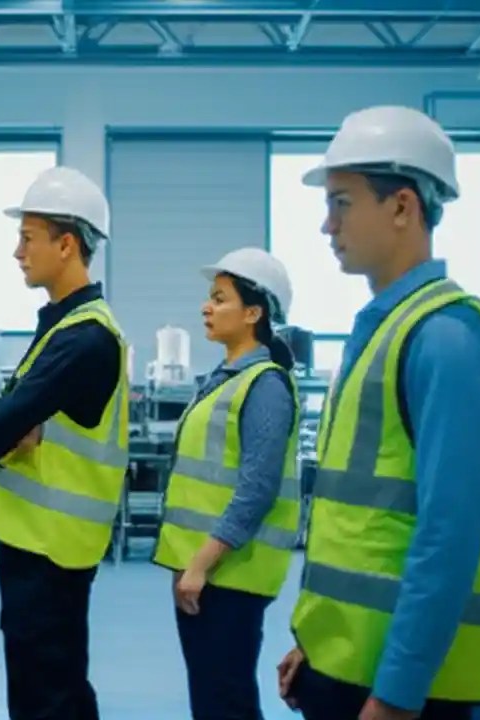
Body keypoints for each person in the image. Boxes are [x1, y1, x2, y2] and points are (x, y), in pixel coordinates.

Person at [276, 105, 480, 720]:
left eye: (342, 204)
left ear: (403, 207)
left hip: (401, 692)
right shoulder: (384, 332)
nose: (327, 226)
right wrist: (317, 645)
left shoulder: (446, 340)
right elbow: (364, 529)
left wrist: (398, 694)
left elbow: (449, 537)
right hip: (349, 670)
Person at [0, 166, 129, 720]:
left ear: (66, 244)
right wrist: (16, 423)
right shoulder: (63, 327)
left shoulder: (87, 338)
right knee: (54, 688)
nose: (17, 252)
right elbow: (11, 420)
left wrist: (13, 426)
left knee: (48, 698)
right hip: (39, 544)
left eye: (27, 238)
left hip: (51, 548)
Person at [152, 247, 301, 719]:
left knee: (225, 702)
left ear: (254, 312)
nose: (206, 306)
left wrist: (200, 564)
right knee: (213, 698)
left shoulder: (265, 386)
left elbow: (257, 489)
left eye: (220, 298)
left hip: (230, 574)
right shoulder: (224, 378)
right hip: (207, 571)